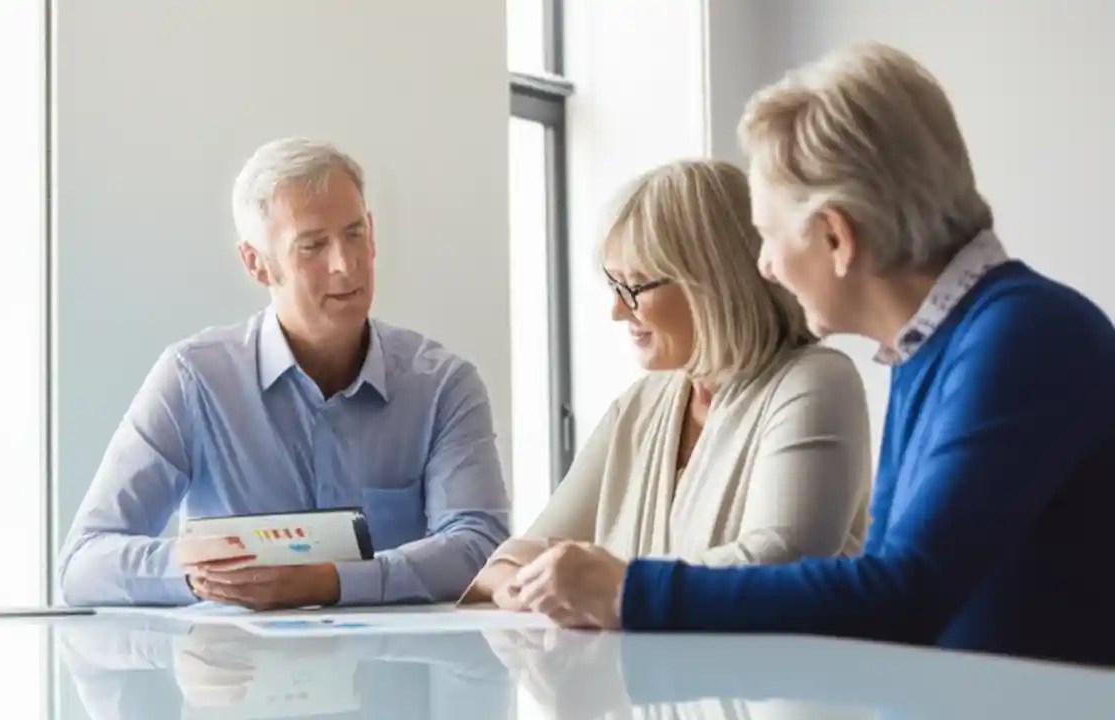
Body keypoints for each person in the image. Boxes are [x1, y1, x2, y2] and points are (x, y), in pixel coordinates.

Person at [508, 44, 1115, 667]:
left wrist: (631, 592)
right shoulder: (944, 345)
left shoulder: (1020, 338)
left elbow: (901, 595)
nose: (765, 266)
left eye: (768, 237)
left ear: (835, 237)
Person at [58, 138, 510, 609]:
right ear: (256, 262)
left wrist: (328, 583)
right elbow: (83, 565)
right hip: (240, 673)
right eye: (313, 245)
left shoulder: (443, 386)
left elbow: (481, 546)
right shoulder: (194, 379)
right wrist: (195, 571)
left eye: (355, 234)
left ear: (373, 234)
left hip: (397, 672)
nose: (345, 263)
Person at [461, 160, 871, 607]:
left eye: (635, 285)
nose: (618, 310)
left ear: (714, 284)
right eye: (614, 284)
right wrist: (519, 584)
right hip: (652, 676)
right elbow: (519, 556)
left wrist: (613, 587)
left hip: (774, 677)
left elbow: (780, 563)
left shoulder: (815, 382)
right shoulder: (640, 406)